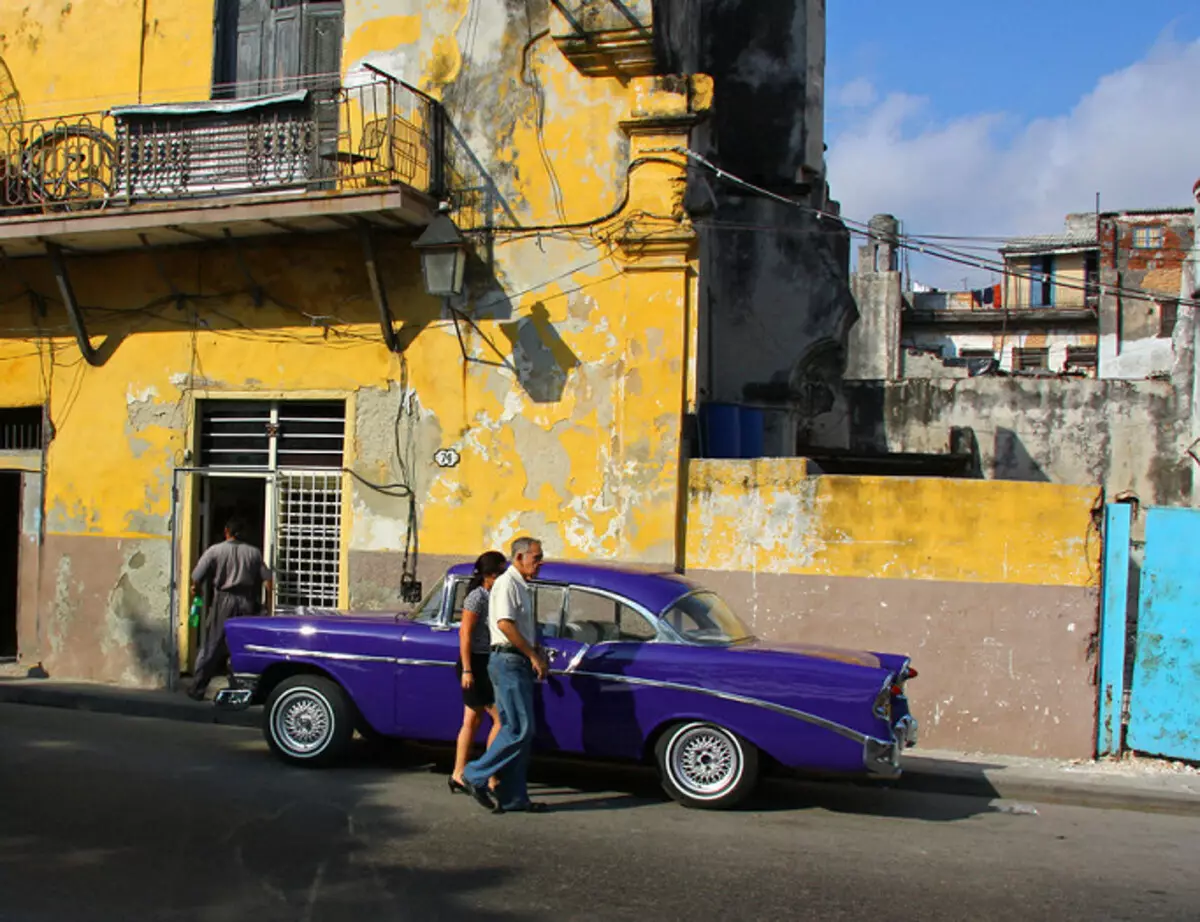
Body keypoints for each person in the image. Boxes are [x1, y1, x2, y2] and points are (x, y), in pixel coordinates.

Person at [460, 536, 549, 814]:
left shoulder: (521, 585)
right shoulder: (508, 583)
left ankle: (514, 797)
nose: (539, 563)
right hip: (507, 659)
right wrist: (532, 655)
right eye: (535, 557)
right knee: (519, 728)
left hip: (516, 659)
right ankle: (474, 774)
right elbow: (505, 625)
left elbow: (520, 625)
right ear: (519, 557)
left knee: (519, 729)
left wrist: (535, 650)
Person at [187, 517, 273, 701]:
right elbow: (268, 582)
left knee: (212, 644)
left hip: (223, 601)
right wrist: (267, 607)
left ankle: (198, 688)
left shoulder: (215, 551)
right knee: (242, 646)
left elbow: (196, 576)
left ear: (226, 532)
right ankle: (242, 690)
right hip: (246, 601)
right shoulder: (254, 553)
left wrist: (198, 592)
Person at [448, 550, 507, 796]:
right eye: (501, 571)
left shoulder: (495, 596)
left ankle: (467, 772)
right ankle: (470, 773)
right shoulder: (477, 597)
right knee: (489, 719)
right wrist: (468, 669)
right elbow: (465, 634)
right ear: (490, 575)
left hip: (488, 660)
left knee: (477, 719)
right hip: (474, 662)